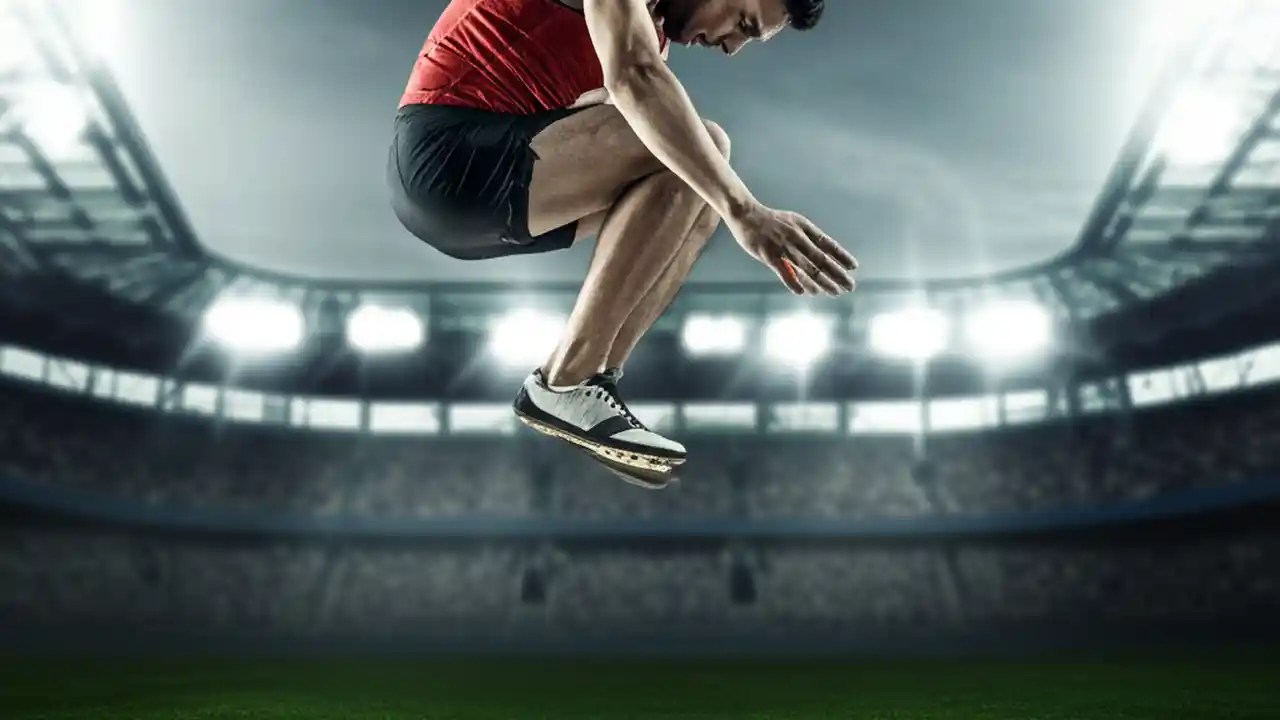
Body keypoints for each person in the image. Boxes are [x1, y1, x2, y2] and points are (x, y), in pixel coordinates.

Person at [387, 0, 858, 486]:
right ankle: (565, 381)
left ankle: (593, 383)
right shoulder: (637, 44)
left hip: (496, 191)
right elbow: (635, 78)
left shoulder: (649, 31)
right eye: (742, 23)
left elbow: (602, 117)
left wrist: (724, 201)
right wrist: (746, 210)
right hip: (444, 155)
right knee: (703, 149)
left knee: (693, 182)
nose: (731, 47)